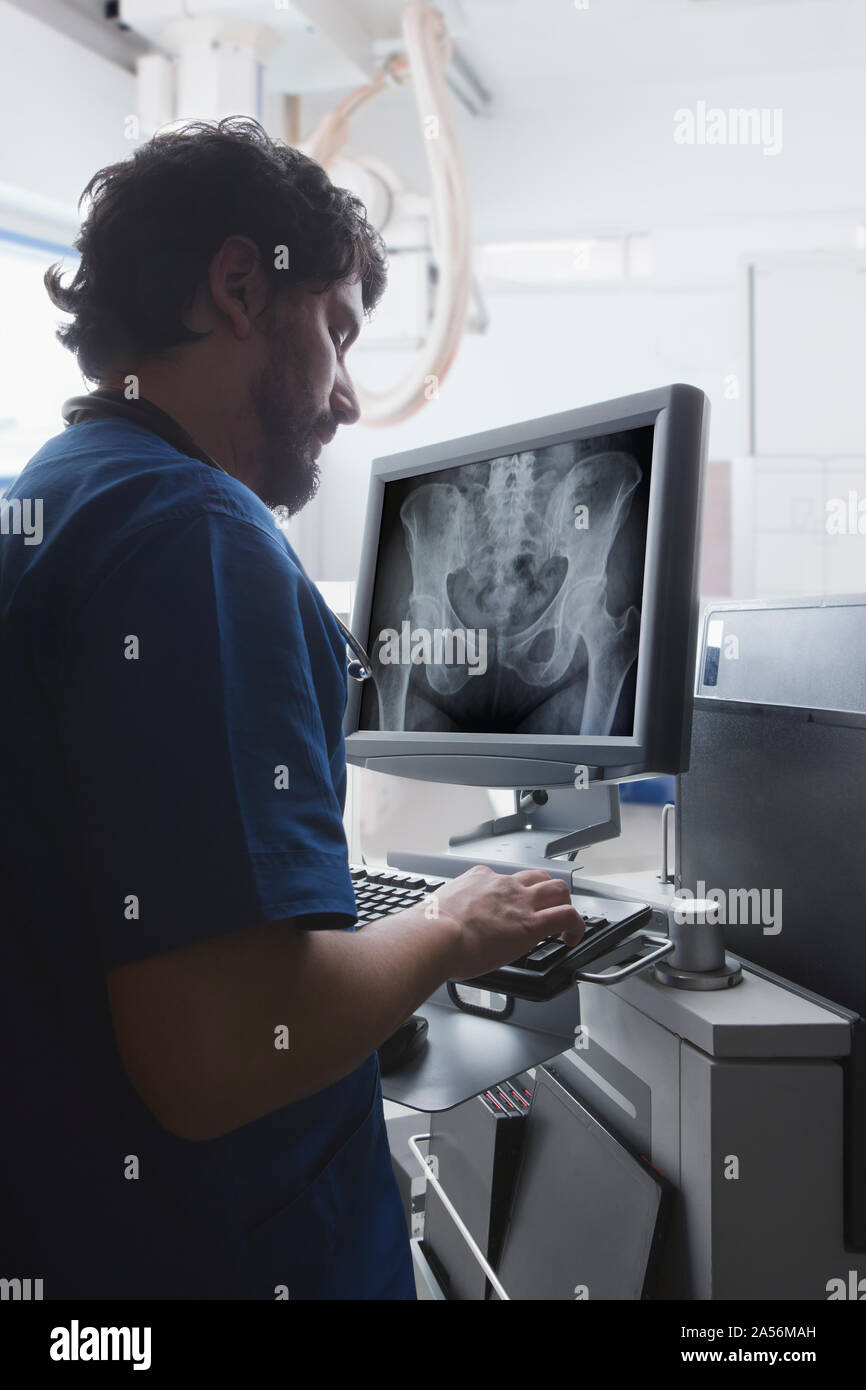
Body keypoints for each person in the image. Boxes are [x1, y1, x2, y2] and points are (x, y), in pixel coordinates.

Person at [0, 117, 583, 1300]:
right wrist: (451, 929)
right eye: (337, 330)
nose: (349, 397)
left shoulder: (47, 507)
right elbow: (219, 1052)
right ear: (238, 287)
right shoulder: (197, 539)